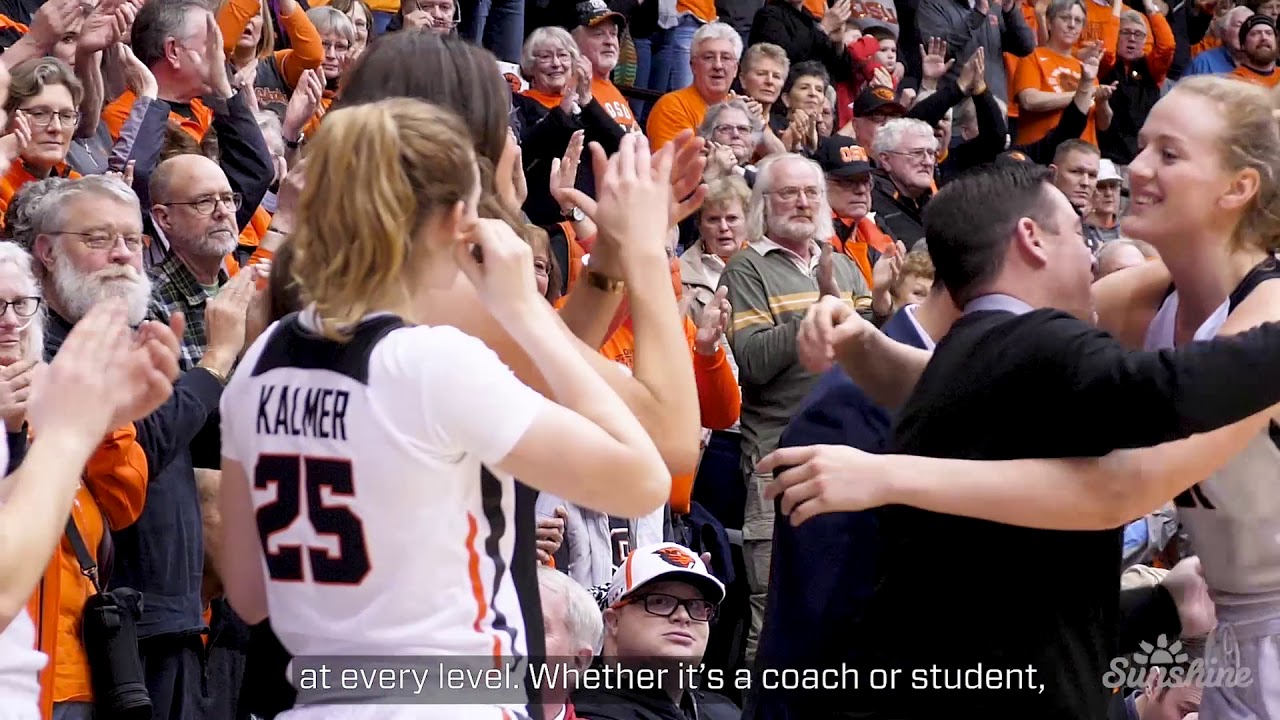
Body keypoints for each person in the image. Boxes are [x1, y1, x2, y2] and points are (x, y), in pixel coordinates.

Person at [763, 75, 1280, 719]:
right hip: (1233, 629)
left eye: (1168, 154)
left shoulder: (1268, 310)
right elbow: (987, 385)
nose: (1136, 166)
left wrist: (889, 475)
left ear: (1239, 187)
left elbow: (1117, 489)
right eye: (1141, 146)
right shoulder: (1141, 295)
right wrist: (864, 348)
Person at [217, 99, 673, 717]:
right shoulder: (430, 362)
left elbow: (248, 594)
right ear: (454, 220)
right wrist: (528, 315)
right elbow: (644, 478)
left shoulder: (260, 357)